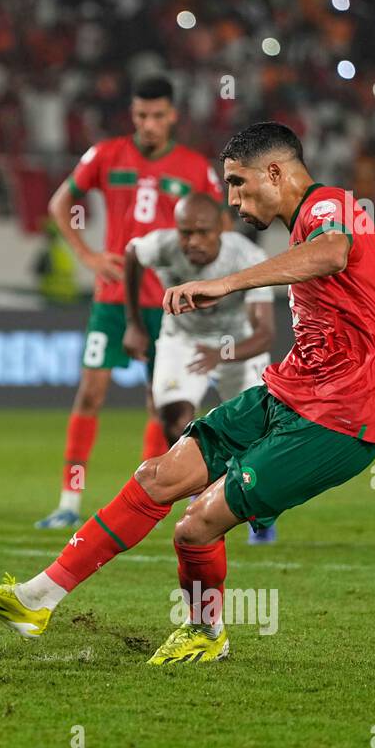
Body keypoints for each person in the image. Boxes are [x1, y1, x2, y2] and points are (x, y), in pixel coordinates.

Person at [0, 122, 375, 664]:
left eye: (238, 184)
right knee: (158, 475)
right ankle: (37, 599)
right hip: (286, 394)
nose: (232, 200)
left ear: (274, 172)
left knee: (196, 526)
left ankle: (206, 632)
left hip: (337, 423)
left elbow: (333, 252)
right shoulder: (346, 238)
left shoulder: (327, 208)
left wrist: (226, 283)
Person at [35, 76, 223, 530]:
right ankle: (68, 500)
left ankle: (146, 499)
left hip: (167, 303)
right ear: (132, 115)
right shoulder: (105, 154)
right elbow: (61, 203)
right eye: (141, 115)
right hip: (113, 299)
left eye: (158, 116)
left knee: (160, 404)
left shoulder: (195, 168)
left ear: (173, 115)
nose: (149, 124)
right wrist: (88, 256)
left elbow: (221, 226)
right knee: (91, 392)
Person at [122, 193, 278, 544]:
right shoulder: (163, 246)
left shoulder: (248, 258)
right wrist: (132, 321)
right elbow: (132, 254)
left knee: (254, 437)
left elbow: (266, 334)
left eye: (201, 232)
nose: (191, 241)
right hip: (183, 339)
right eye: (184, 232)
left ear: (222, 227)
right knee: (174, 419)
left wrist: (221, 354)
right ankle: (201, 495)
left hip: (237, 343)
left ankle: (260, 512)